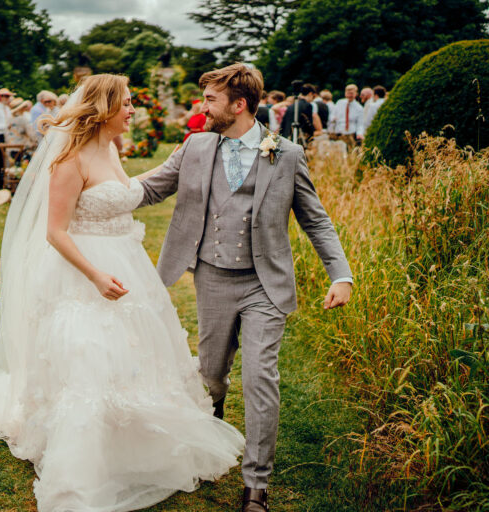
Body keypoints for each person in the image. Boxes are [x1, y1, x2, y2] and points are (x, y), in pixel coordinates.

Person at [0, 74, 245, 512]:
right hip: (83, 270)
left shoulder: (112, 150)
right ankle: (86, 454)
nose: (134, 110)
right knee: (88, 357)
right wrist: (95, 276)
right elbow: (55, 232)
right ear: (105, 108)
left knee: (135, 355)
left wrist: (174, 162)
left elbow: (122, 193)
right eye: (128, 104)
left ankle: (137, 440)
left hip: (126, 263)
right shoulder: (69, 161)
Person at [136, 63, 353, 512]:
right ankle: (211, 433)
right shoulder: (195, 146)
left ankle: (256, 483)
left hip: (265, 284)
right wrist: (90, 187)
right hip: (212, 277)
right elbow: (150, 188)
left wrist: (341, 273)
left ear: (239, 105)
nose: (202, 107)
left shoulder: (287, 154)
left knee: (260, 378)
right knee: (211, 376)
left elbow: (315, 219)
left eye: (210, 99)